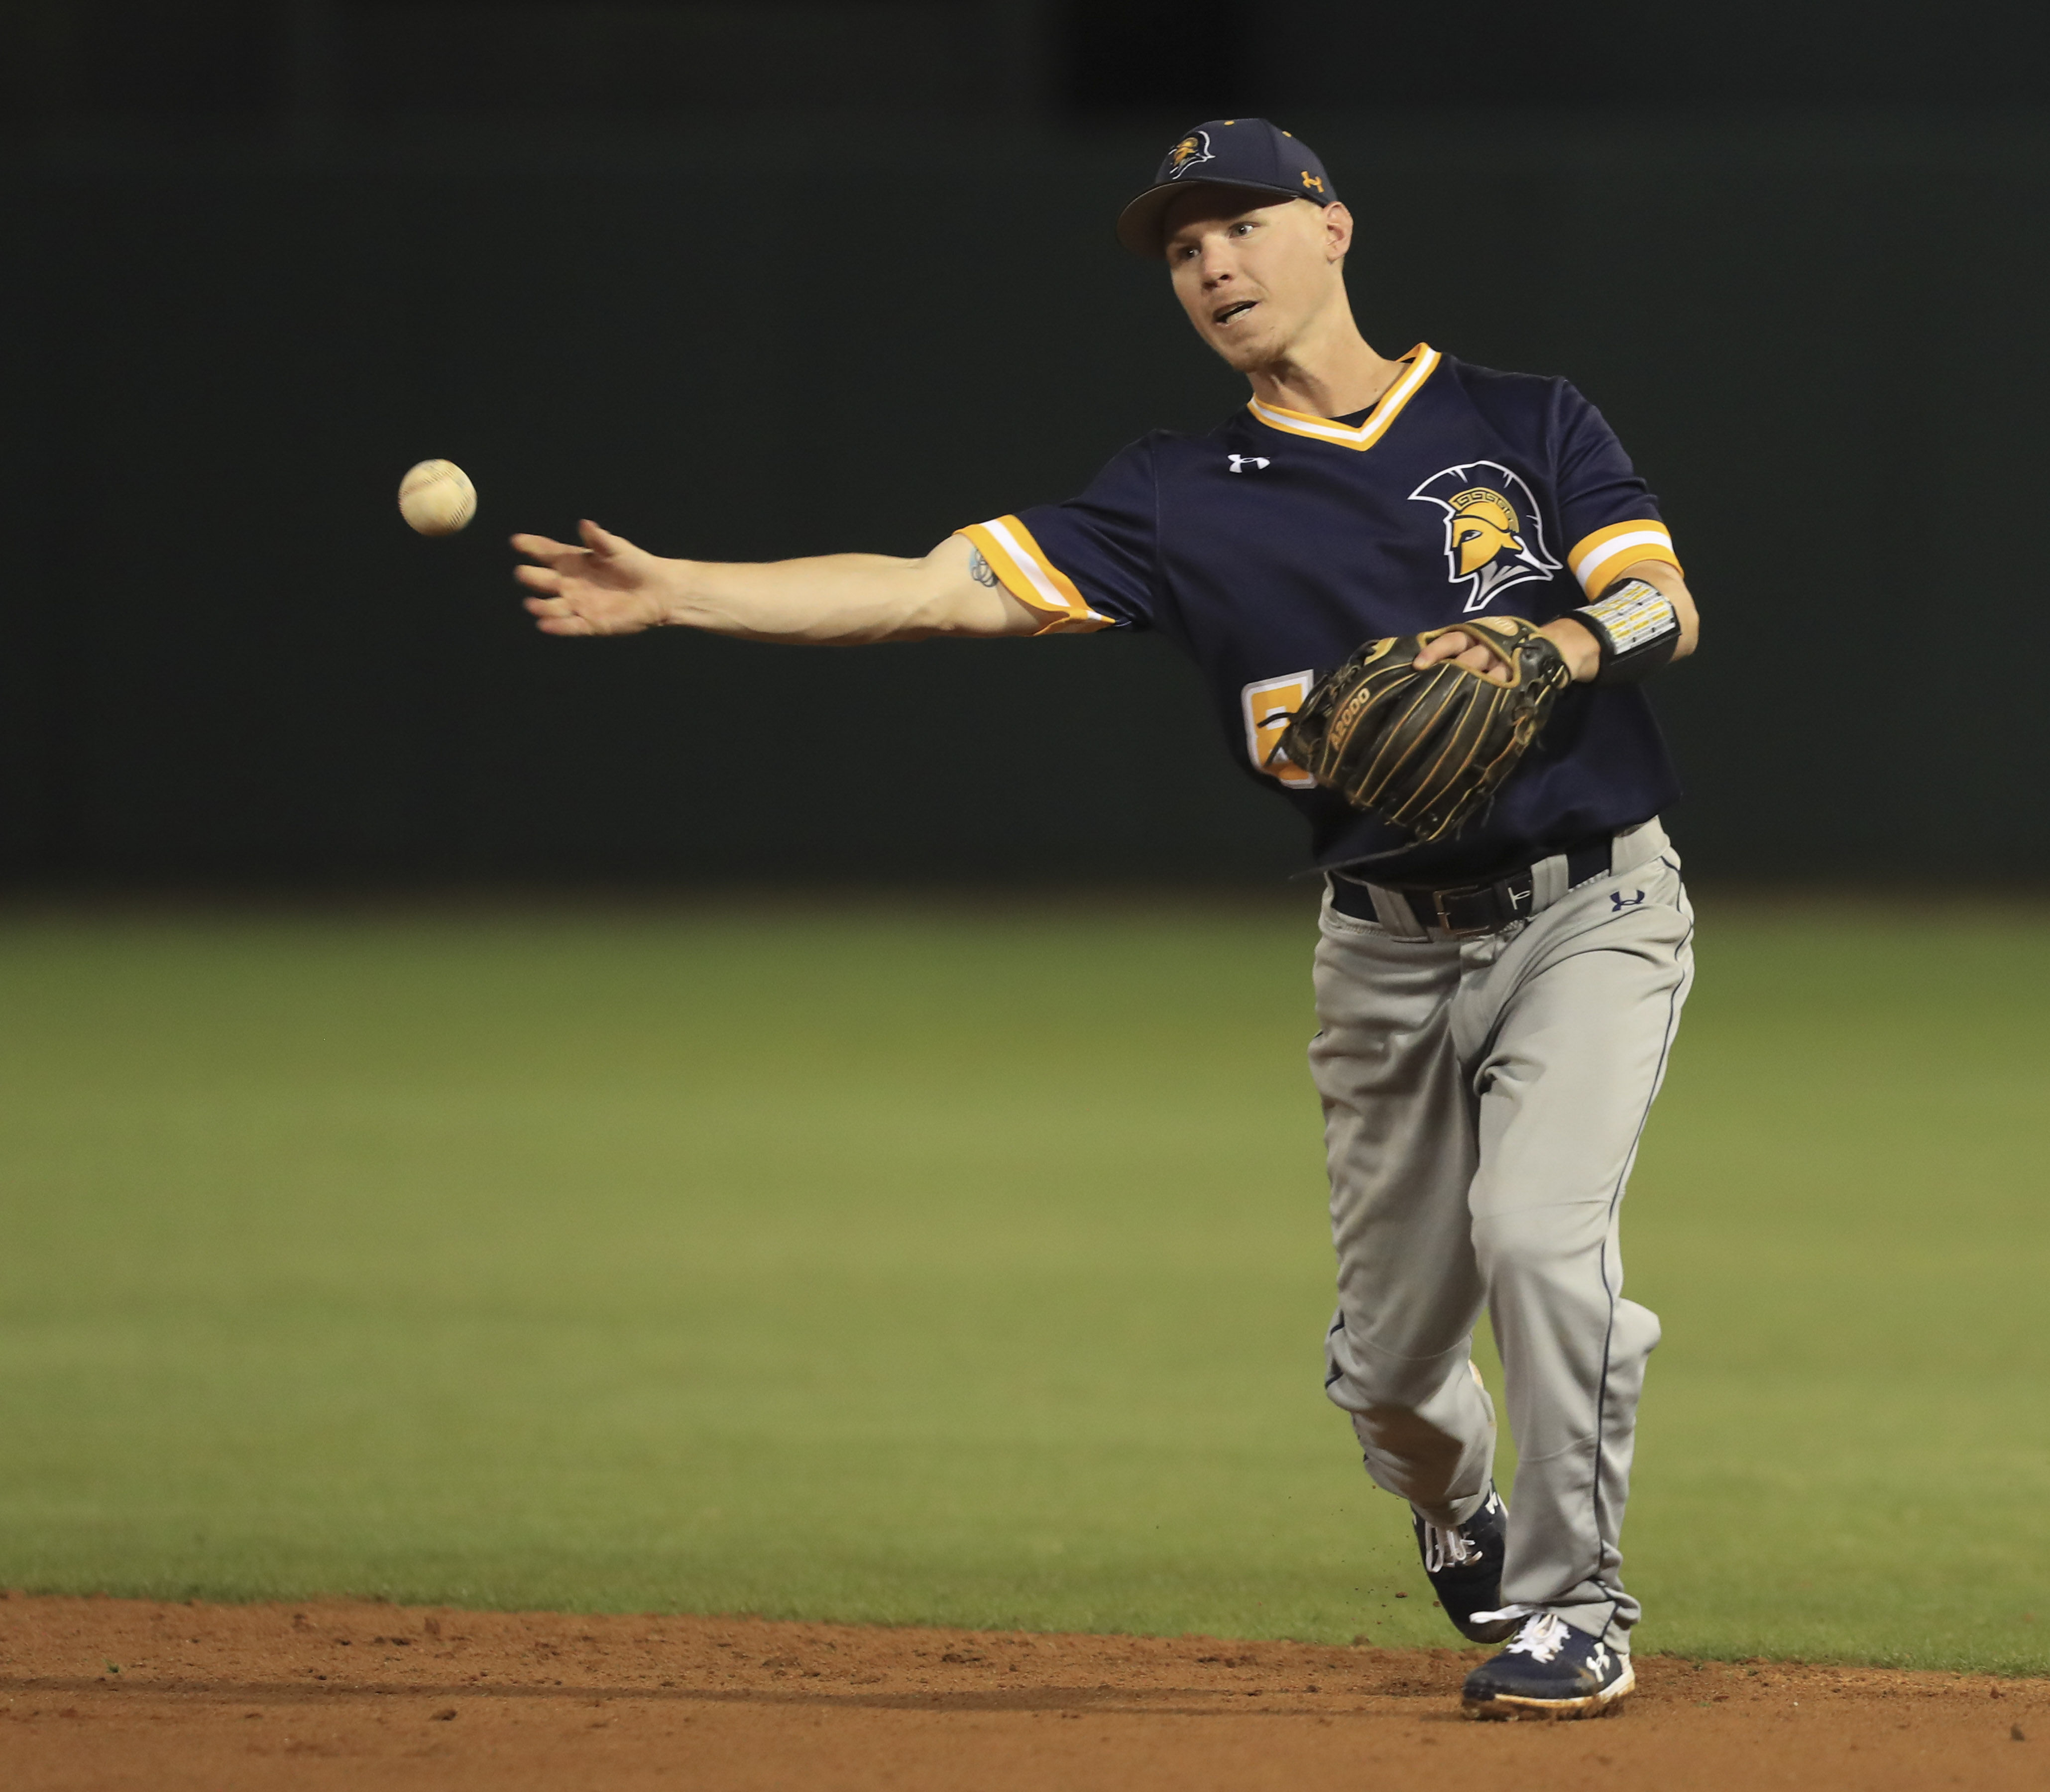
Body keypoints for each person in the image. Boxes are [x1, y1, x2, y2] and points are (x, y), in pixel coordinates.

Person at [510, 118, 1701, 1721]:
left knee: (1541, 1242)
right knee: (1400, 1380)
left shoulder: (1520, 420)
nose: (1212, 260)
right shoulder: (1177, 496)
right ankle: (1455, 1508)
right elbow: (935, 587)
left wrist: (1552, 650)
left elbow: (1659, 600)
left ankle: (1577, 1607)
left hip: (1591, 911)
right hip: (1384, 950)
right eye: (1180, 245)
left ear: (1333, 226)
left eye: (1242, 224)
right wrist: (686, 592)